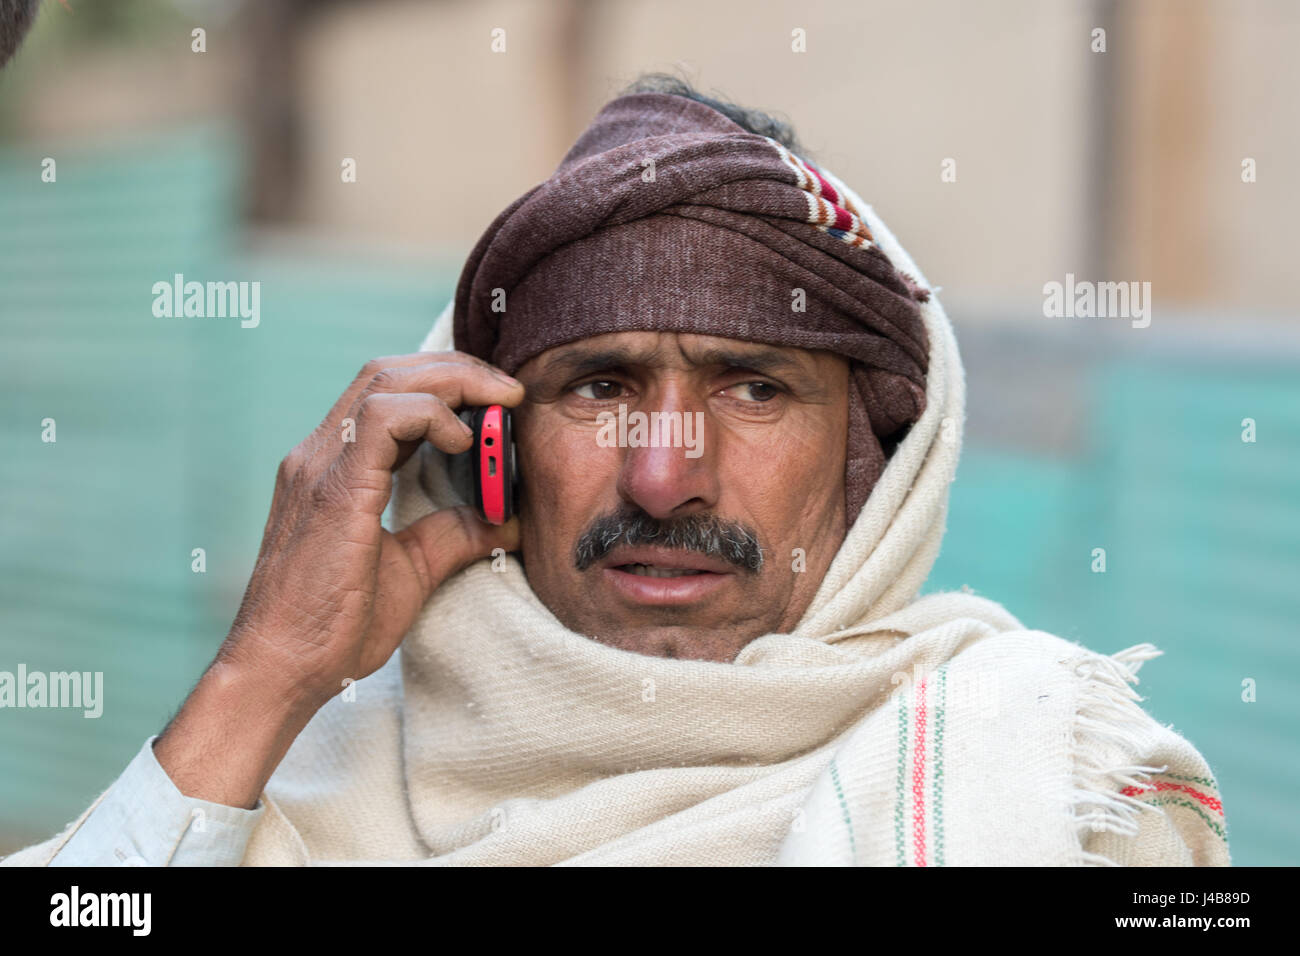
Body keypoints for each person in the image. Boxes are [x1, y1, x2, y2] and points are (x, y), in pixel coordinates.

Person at [2, 76, 1230, 866]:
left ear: (876, 464)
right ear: (490, 451)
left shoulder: (1048, 788)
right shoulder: (280, 794)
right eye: (598, 385)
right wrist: (265, 671)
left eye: (754, 389)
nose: (662, 480)